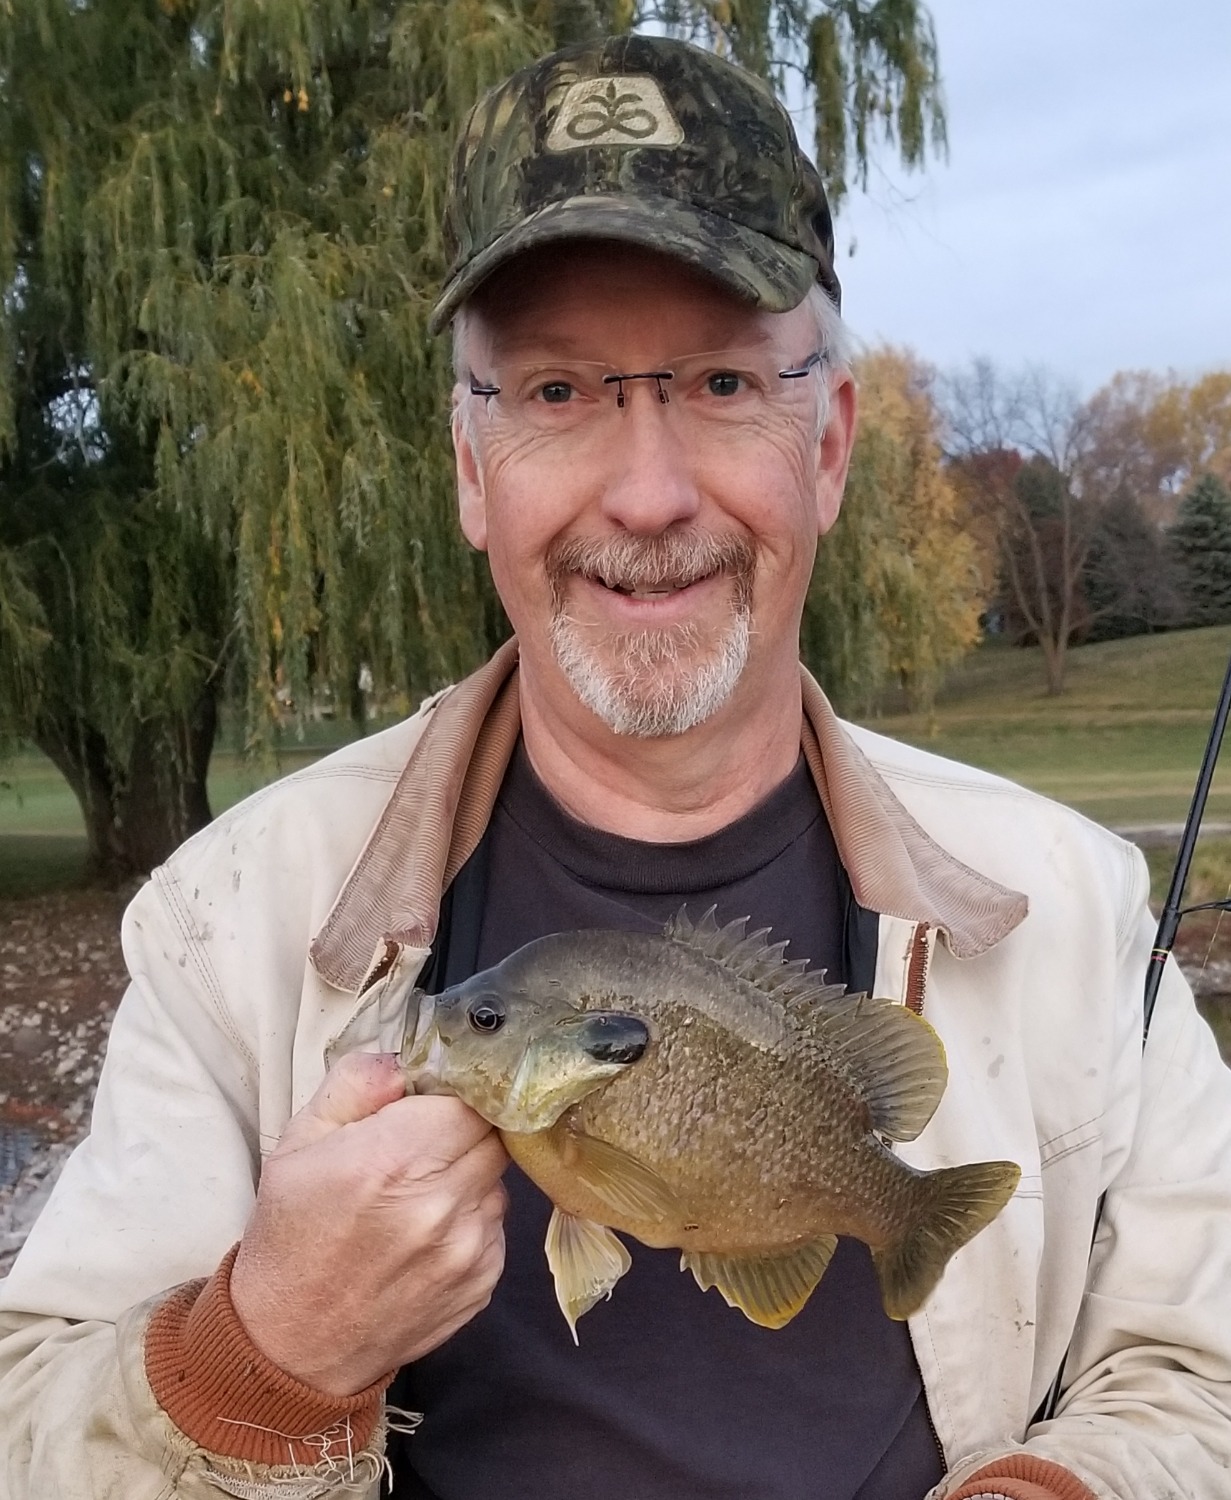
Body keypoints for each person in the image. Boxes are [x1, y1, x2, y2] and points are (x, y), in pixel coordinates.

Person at [1, 32, 1229, 1500]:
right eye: (557, 394)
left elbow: (1203, 1374)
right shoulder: (227, 925)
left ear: (828, 446)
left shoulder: (1076, 905)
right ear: (472, 469)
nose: (648, 495)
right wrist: (261, 1357)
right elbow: (27, 1428)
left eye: (720, 381)